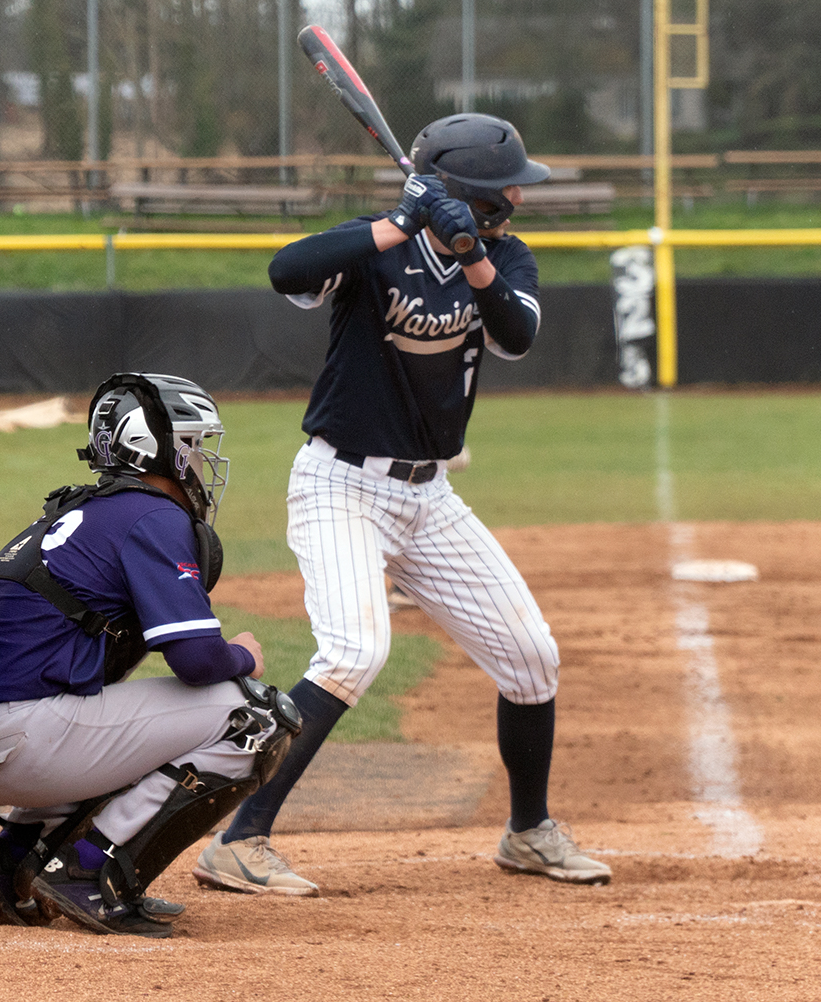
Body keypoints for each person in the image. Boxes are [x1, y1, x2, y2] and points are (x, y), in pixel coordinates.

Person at [193, 113, 614, 895]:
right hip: (340, 485)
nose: (520, 197)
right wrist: (399, 224)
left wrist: (472, 253)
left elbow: (516, 334)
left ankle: (528, 833)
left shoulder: (507, 256)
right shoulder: (375, 249)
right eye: (509, 186)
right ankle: (239, 840)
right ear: (474, 192)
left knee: (532, 659)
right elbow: (287, 270)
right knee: (353, 653)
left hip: (430, 495)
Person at [0, 373, 300, 938]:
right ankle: (91, 871)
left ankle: (8, 860)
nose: (202, 460)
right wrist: (243, 656)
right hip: (13, 738)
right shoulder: (153, 515)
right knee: (258, 716)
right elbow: (198, 661)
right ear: (160, 449)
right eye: (195, 444)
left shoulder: (81, 510)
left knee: (126, 719)